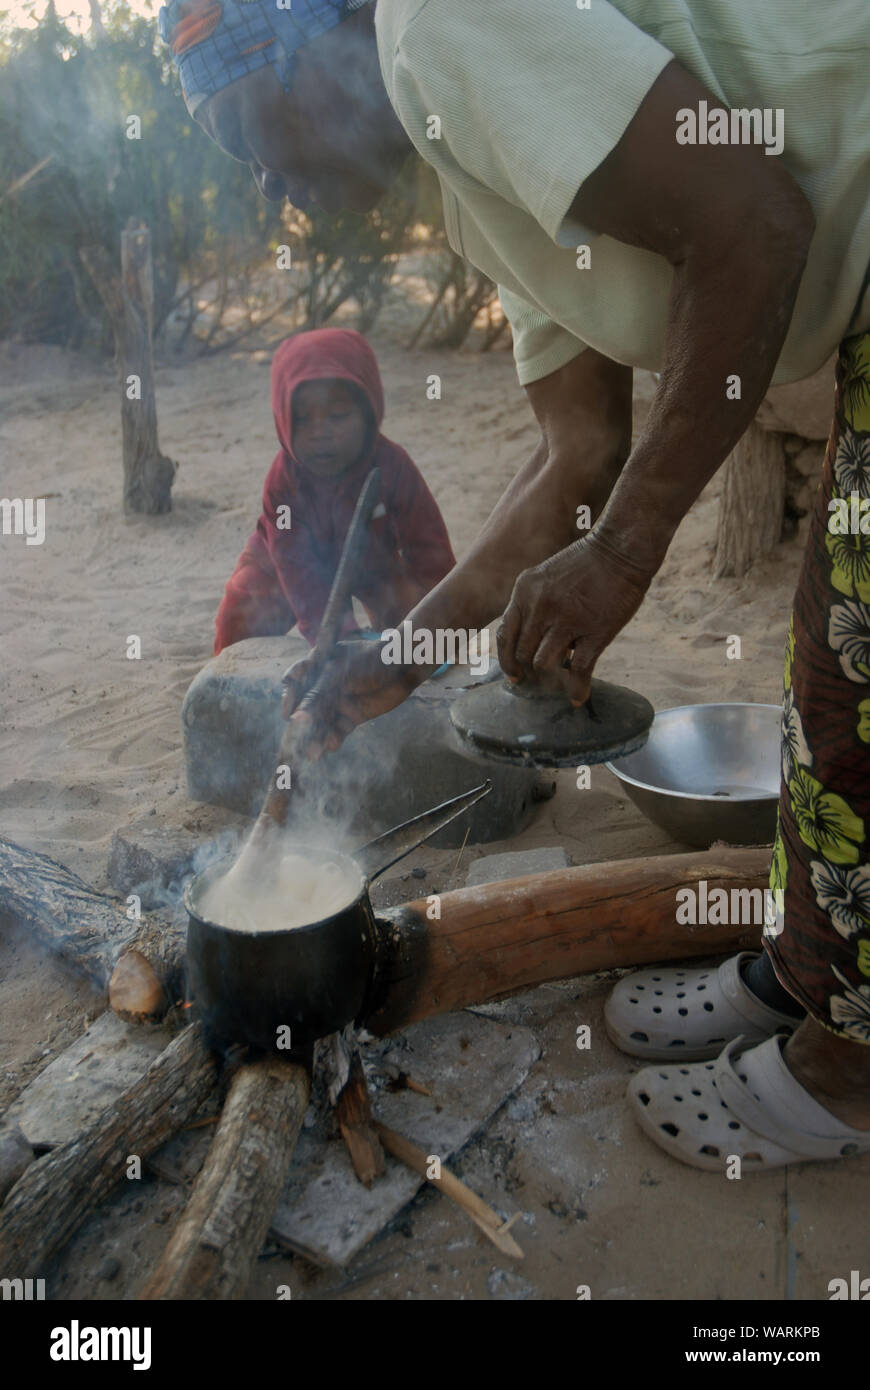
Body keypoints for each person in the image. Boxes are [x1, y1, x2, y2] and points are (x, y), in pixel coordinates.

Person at [159, 0, 870, 1170]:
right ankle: (811, 977)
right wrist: (400, 656)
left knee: (857, 671)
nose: (273, 191)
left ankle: (851, 1066)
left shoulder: (433, 27)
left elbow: (753, 222)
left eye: (249, 140)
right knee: (828, 676)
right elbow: (577, 454)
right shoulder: (472, 175)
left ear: (299, 54)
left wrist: (628, 553)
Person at [212, 326, 455, 654]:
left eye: (338, 415)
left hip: (372, 559)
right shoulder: (283, 480)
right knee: (242, 612)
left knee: (416, 619)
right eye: (300, 419)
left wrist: (443, 623)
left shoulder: (392, 465)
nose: (320, 432)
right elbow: (297, 570)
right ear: (282, 420)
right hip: (283, 563)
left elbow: (429, 549)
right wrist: (340, 640)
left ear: (369, 413)